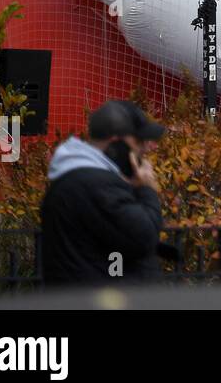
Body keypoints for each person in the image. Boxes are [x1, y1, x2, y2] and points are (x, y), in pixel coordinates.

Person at [40, 100, 165, 286]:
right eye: (138, 141)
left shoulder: (87, 179)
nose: (145, 148)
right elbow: (144, 236)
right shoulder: (96, 185)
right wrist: (146, 189)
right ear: (115, 143)